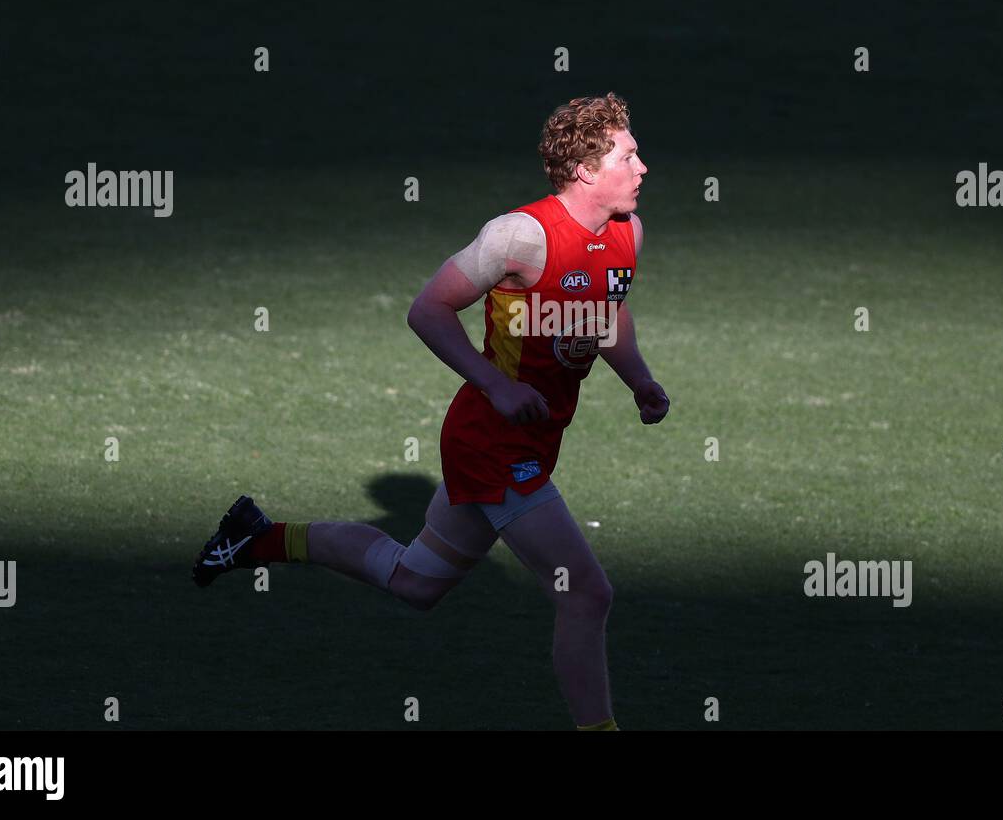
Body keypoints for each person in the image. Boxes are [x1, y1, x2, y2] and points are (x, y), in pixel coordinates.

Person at [192, 92, 669, 731]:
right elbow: (429, 310)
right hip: (492, 441)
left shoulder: (626, 233)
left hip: (536, 437)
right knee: (585, 592)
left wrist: (639, 379)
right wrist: (495, 386)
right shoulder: (519, 237)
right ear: (586, 170)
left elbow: (606, 312)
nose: (643, 168)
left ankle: (259, 536)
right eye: (629, 156)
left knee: (415, 582)